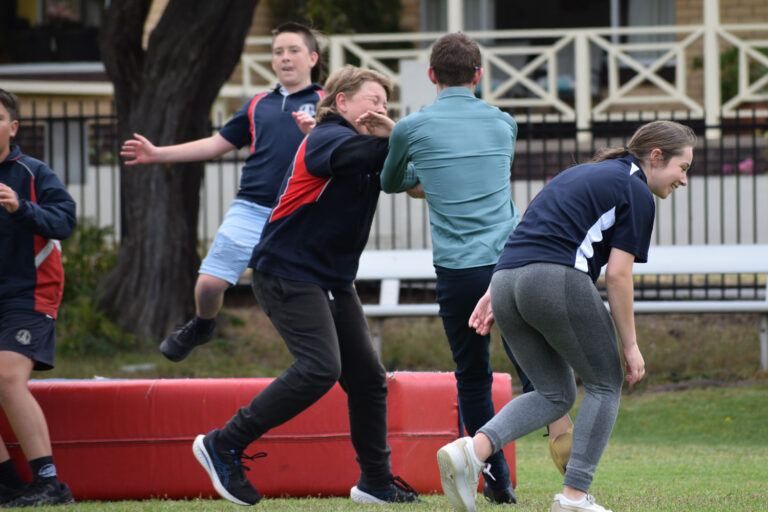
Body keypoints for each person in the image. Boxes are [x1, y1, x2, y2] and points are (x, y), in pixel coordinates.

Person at [436, 120, 697, 512]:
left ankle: (472, 452)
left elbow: (530, 232)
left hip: (506, 280)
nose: (684, 180)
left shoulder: (578, 174)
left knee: (555, 393)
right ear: (656, 157)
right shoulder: (636, 190)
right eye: (684, 168)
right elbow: (619, 275)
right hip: (553, 280)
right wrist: (630, 344)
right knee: (606, 382)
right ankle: (574, 497)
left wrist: (495, 292)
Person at [191, 65, 419, 506]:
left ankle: (375, 482)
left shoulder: (372, 146)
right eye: (372, 100)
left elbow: (414, 179)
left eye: (386, 104)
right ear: (341, 103)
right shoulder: (326, 138)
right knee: (319, 368)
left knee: (369, 380)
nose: (380, 109)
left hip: (332, 280)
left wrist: (404, 144)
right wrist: (400, 135)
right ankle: (224, 443)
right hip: (285, 271)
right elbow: (365, 156)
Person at [378, 32, 572, 503]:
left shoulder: (411, 127)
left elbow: (392, 182)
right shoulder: (504, 123)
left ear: (431, 77)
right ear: (478, 76)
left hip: (458, 270)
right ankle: (561, 428)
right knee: (537, 366)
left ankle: (496, 479)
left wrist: (412, 159)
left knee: (472, 374)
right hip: (514, 262)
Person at [119, 22, 324, 362]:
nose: (285, 58)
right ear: (272, 62)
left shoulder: (326, 103)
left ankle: (326, 354)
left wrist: (316, 133)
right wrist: (158, 153)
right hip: (252, 208)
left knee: (307, 291)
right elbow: (216, 144)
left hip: (300, 214)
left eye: (294, 51)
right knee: (209, 286)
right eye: (278, 52)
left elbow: (342, 151)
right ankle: (202, 325)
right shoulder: (258, 104)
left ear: (312, 58)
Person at [0, 88, 77, 507]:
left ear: (12, 128)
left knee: (7, 376)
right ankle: (8, 485)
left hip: (29, 295)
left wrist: (20, 207)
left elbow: (65, 220)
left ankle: (50, 484)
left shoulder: (33, 173)